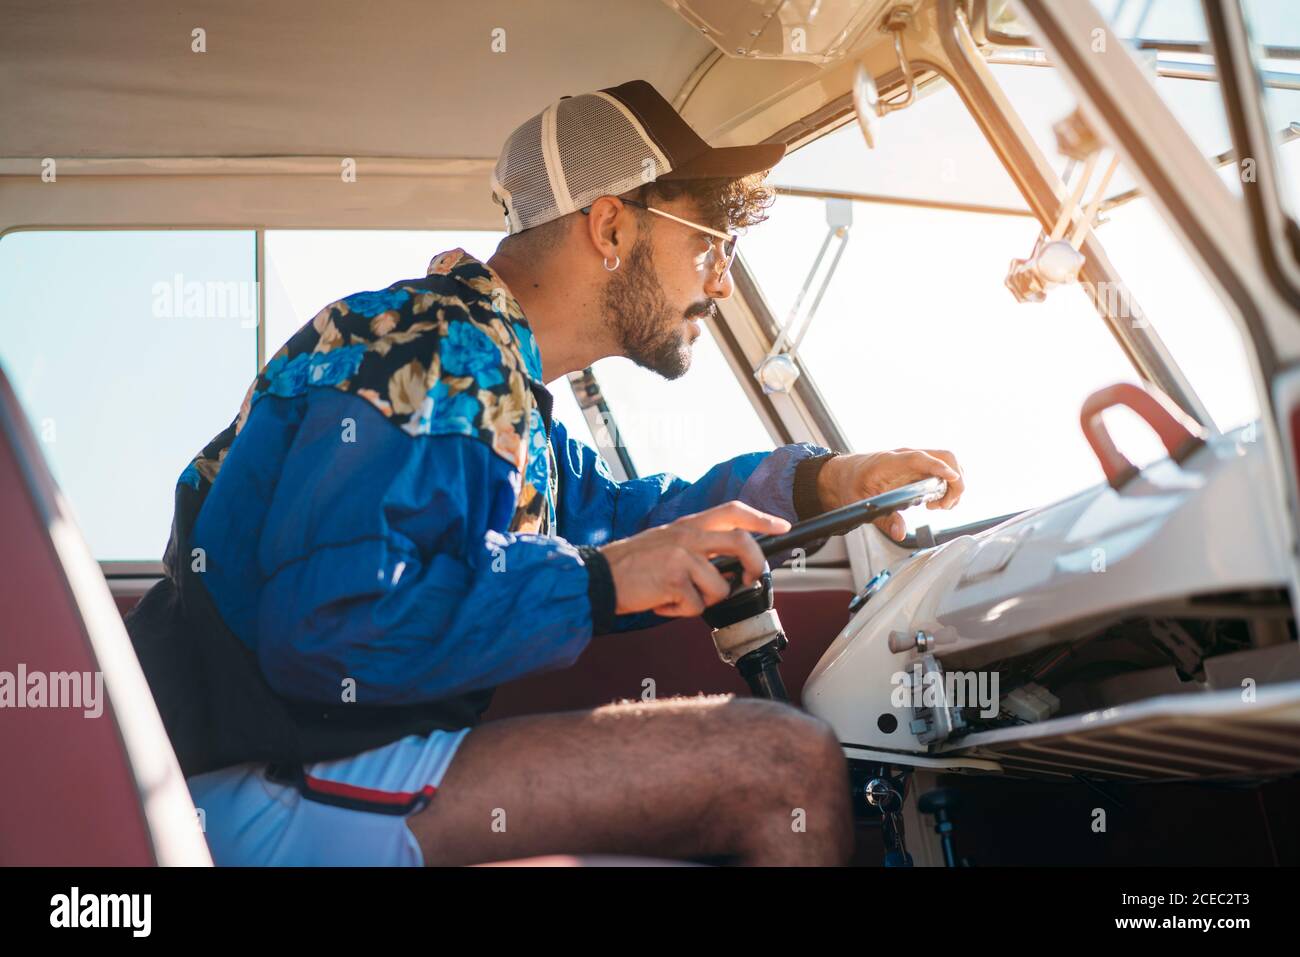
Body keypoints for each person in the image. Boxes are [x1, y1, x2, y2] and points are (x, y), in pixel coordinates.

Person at [125, 79, 964, 866]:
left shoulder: (500, 386)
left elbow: (626, 521)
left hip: (319, 756)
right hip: (258, 778)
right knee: (786, 766)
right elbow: (331, 631)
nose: (723, 281)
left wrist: (826, 483)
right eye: (713, 243)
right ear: (610, 228)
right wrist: (595, 585)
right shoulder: (430, 351)